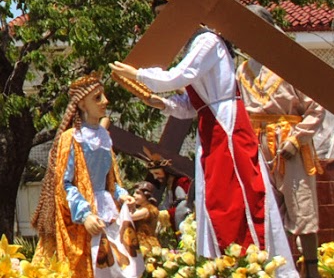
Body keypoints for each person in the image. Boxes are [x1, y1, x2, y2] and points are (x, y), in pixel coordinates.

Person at [113, 29, 296, 278]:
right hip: (211, 124)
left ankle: (250, 262)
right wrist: (162, 103)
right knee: (214, 197)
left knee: (234, 196)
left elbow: (179, 76)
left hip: (225, 126)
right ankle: (223, 264)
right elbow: (192, 104)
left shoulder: (207, 40)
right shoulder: (197, 45)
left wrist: (138, 74)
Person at [238, 6, 333, 278]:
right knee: (266, 209)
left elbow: (316, 107)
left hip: (289, 143)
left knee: (301, 208)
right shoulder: (242, 69)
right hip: (256, 144)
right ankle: (276, 268)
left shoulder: (289, 64)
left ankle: (311, 271)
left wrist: (296, 138)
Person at [32, 74, 141, 278]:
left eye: (104, 96)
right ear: (82, 104)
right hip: (82, 218)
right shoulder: (71, 138)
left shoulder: (103, 136)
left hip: (107, 214)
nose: (105, 101)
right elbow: (64, 184)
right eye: (97, 98)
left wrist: (121, 194)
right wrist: (85, 214)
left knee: (117, 268)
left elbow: (110, 179)